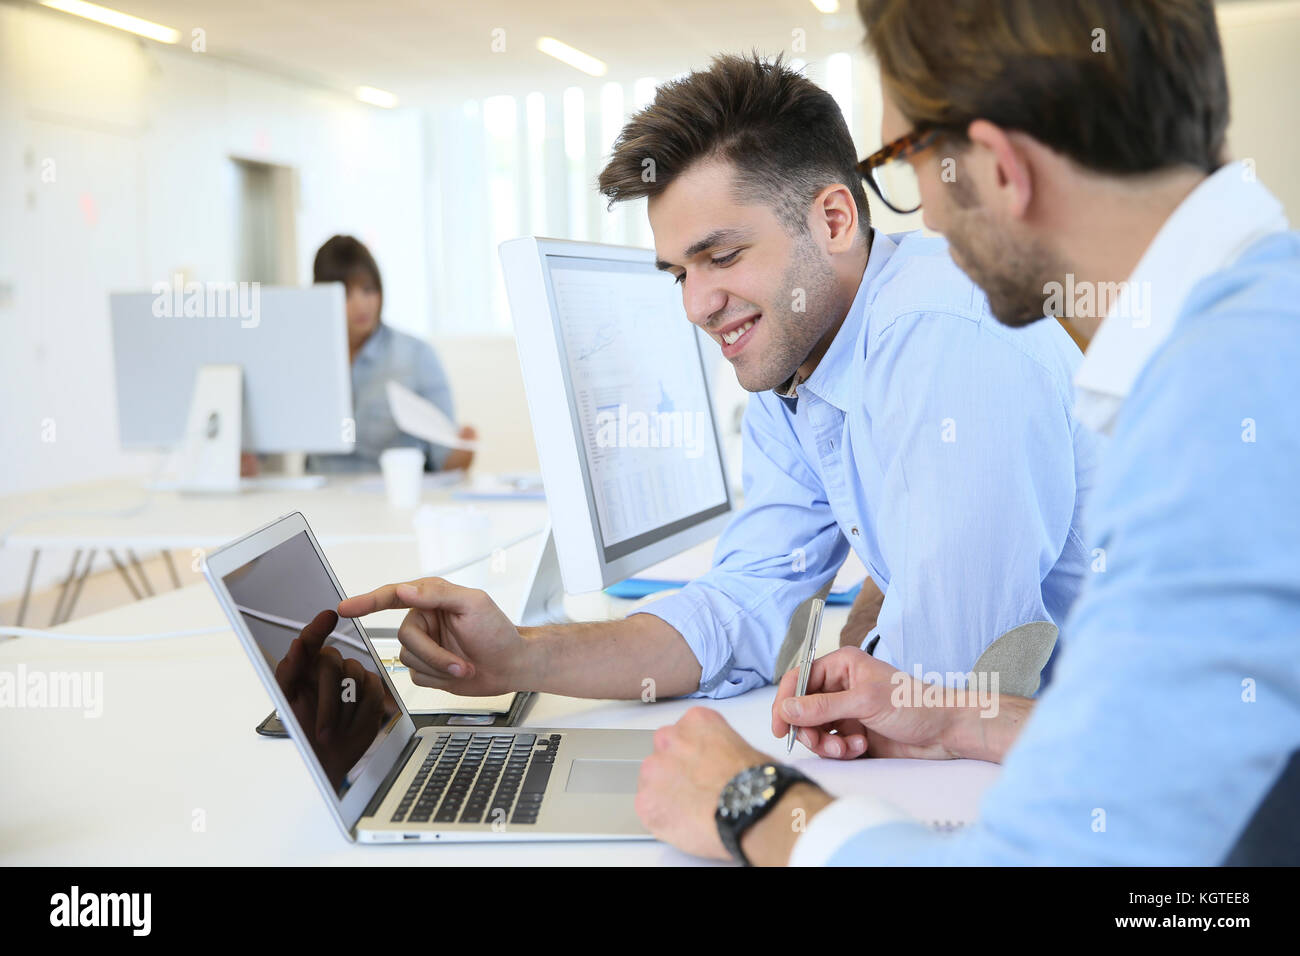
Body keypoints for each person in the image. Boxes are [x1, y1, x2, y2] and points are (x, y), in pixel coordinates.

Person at [633, 0, 1300, 865]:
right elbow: (1173, 754)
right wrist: (956, 715)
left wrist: (757, 805)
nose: (925, 226)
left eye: (904, 164)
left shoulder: (1225, 401)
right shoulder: (1246, 336)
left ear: (997, 166)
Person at [338, 59, 1099, 740]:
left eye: (723, 256)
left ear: (834, 220)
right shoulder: (797, 365)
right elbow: (744, 607)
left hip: (1137, 779)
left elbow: (947, 691)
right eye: (679, 273)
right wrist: (517, 657)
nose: (697, 305)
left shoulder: (946, 343)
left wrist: (845, 675)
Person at [245, 235, 475, 475]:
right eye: (346, 294)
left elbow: (446, 460)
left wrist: (463, 451)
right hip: (319, 498)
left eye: (368, 289)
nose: (361, 304)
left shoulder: (416, 356)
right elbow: (261, 442)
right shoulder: (299, 358)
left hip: (389, 497)